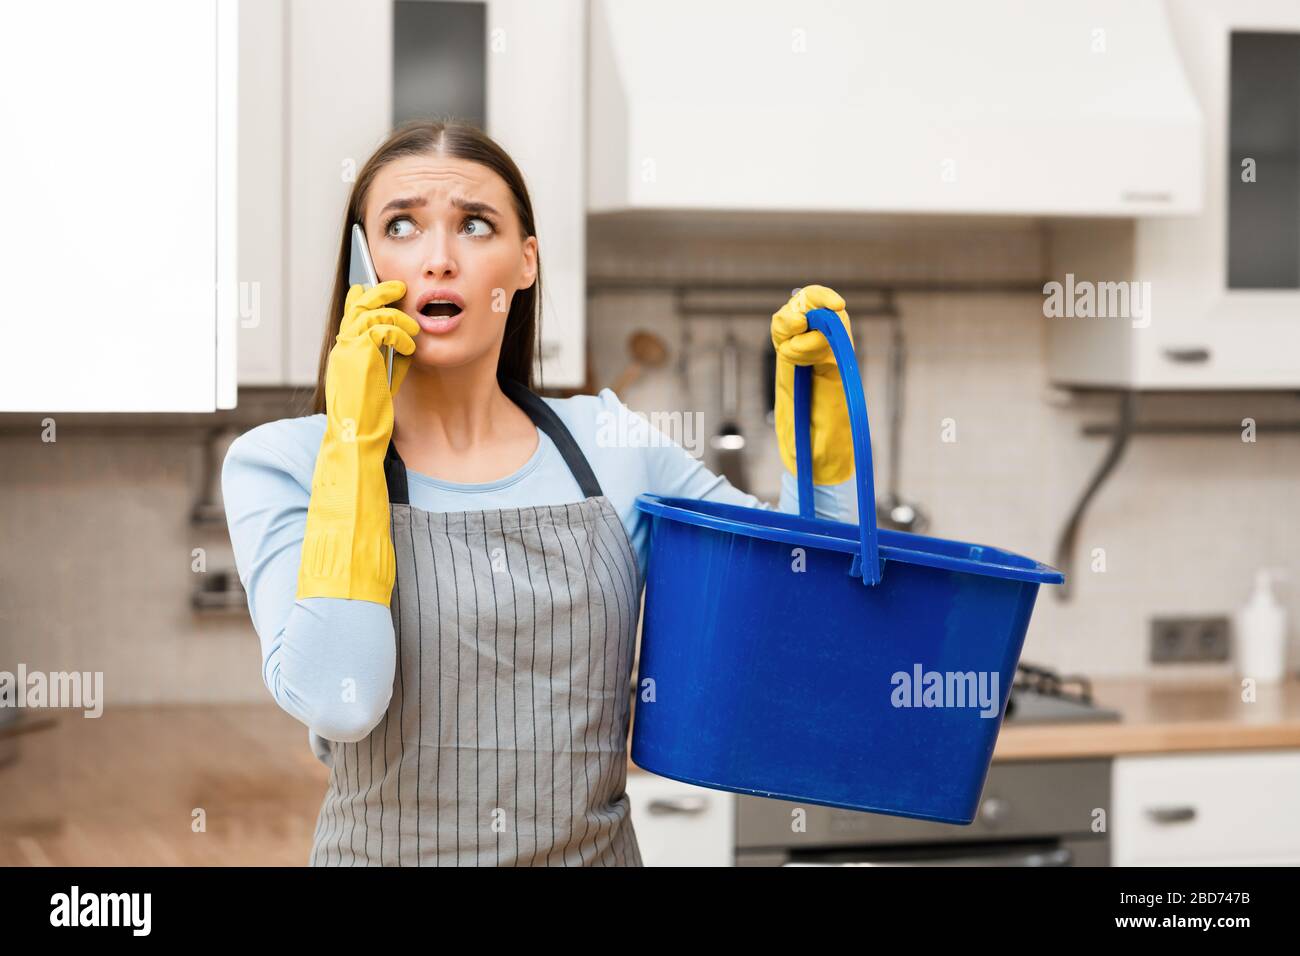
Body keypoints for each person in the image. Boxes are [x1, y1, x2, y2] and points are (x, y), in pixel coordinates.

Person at [222, 119, 860, 866]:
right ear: (363, 265)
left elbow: (815, 609)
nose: (438, 259)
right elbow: (341, 697)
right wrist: (354, 448)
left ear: (525, 263)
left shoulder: (609, 444)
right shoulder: (285, 464)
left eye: (474, 226)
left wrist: (825, 452)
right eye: (402, 226)